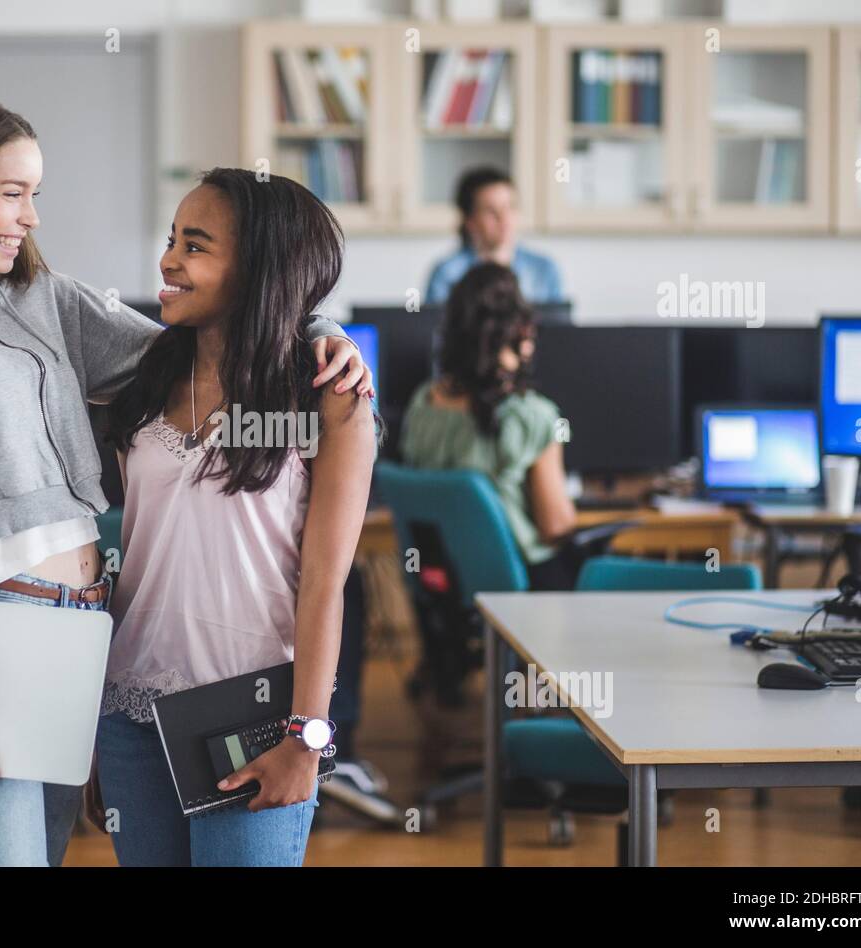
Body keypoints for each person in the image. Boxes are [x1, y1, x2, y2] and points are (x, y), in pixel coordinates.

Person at [0, 90, 371, 867]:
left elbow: (201, 342)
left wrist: (320, 332)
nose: (31, 217)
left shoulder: (38, 300)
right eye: (13, 193)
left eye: (35, 196)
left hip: (84, 635)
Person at [92, 168, 378, 866]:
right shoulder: (146, 373)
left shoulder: (328, 400)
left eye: (195, 246)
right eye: (170, 241)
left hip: (258, 717)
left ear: (258, 269)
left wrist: (306, 738)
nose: (167, 261)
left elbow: (323, 585)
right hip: (130, 709)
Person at [400, 261, 579, 590]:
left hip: (449, 588)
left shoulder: (422, 402)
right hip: (522, 589)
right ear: (520, 332)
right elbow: (555, 526)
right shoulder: (531, 416)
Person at [425, 166, 563, 306]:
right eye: (491, 211)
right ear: (470, 220)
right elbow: (435, 326)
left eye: (510, 207)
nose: (504, 218)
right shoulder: (447, 274)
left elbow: (557, 326)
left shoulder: (543, 269)